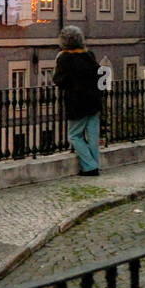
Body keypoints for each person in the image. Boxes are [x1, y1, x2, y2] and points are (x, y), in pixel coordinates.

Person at [54, 26, 102, 176]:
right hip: (94, 99)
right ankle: (94, 165)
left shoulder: (64, 58)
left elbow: (59, 80)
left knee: (74, 135)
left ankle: (90, 166)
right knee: (93, 135)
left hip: (77, 102)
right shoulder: (89, 55)